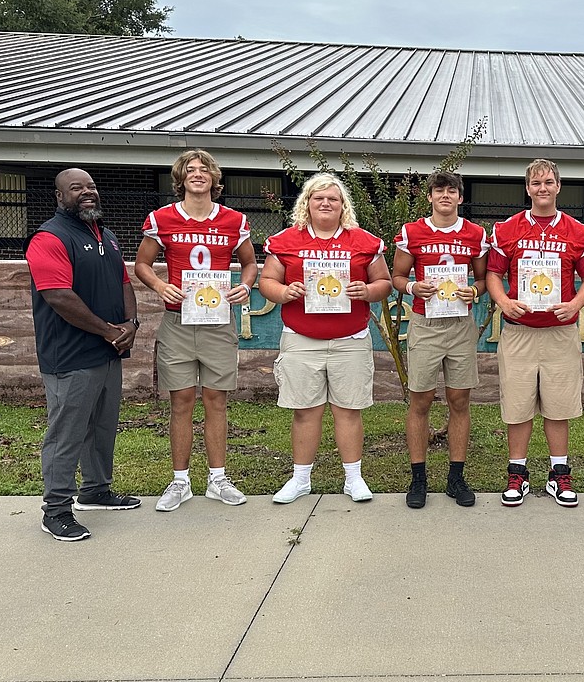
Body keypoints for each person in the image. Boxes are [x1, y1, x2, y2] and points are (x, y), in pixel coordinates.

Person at [134, 150, 257, 512]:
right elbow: (142, 264)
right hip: (179, 321)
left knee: (217, 400)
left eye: (204, 169)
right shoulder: (162, 218)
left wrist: (245, 286)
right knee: (181, 401)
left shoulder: (234, 220)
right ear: (181, 178)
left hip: (217, 321)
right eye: (191, 170)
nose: (198, 174)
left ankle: (218, 479)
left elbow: (250, 263)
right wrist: (160, 286)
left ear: (214, 178)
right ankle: (180, 481)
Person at [259, 173, 392, 503]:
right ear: (307, 203)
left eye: (333, 198)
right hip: (301, 338)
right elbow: (267, 281)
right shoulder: (285, 241)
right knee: (305, 411)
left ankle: (353, 478)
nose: (325, 203)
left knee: (349, 410)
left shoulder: (364, 241)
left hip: (350, 339)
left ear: (343, 204)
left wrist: (368, 290)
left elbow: (384, 283)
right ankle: (300, 479)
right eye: (318, 198)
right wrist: (284, 292)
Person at [25, 169, 141, 541]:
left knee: (102, 426)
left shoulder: (107, 235)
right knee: (67, 433)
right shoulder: (49, 237)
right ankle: (56, 510)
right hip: (70, 355)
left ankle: (95, 490)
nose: (86, 192)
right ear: (59, 196)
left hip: (108, 352)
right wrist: (108, 330)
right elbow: (58, 296)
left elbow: (123, 282)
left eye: (90, 186)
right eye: (76, 188)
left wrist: (130, 323)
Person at [486, 159, 584, 508]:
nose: (542, 188)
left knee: (558, 405)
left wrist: (575, 304)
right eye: (536, 183)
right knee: (518, 405)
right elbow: (493, 274)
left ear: (558, 186)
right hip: (519, 331)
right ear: (527, 188)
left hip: (560, 332)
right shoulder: (507, 229)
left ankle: (559, 473)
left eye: (548, 182)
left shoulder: (577, 231)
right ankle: (517, 473)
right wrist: (504, 301)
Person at [391, 171, 488, 509]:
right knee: (420, 400)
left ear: (460, 197)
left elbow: (483, 279)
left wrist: (474, 291)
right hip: (426, 322)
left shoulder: (475, 233)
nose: (445, 195)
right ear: (430, 196)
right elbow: (397, 276)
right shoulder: (412, 232)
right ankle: (418, 477)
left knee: (459, 401)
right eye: (439, 190)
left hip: (460, 324)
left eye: (452, 190)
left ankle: (455, 477)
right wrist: (412, 287)